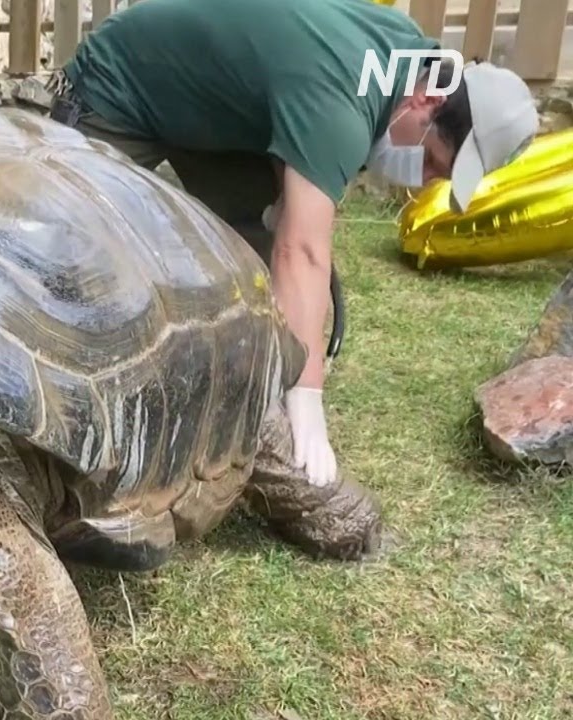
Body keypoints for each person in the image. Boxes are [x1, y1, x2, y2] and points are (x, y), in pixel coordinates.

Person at [47, 0, 539, 488]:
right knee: (72, 260)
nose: (425, 179)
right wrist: (308, 402)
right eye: (432, 159)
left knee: (258, 258)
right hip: (124, 80)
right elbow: (302, 252)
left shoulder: (401, 59)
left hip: (219, 108)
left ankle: (245, 402)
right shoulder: (341, 97)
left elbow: (287, 87)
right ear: (428, 99)